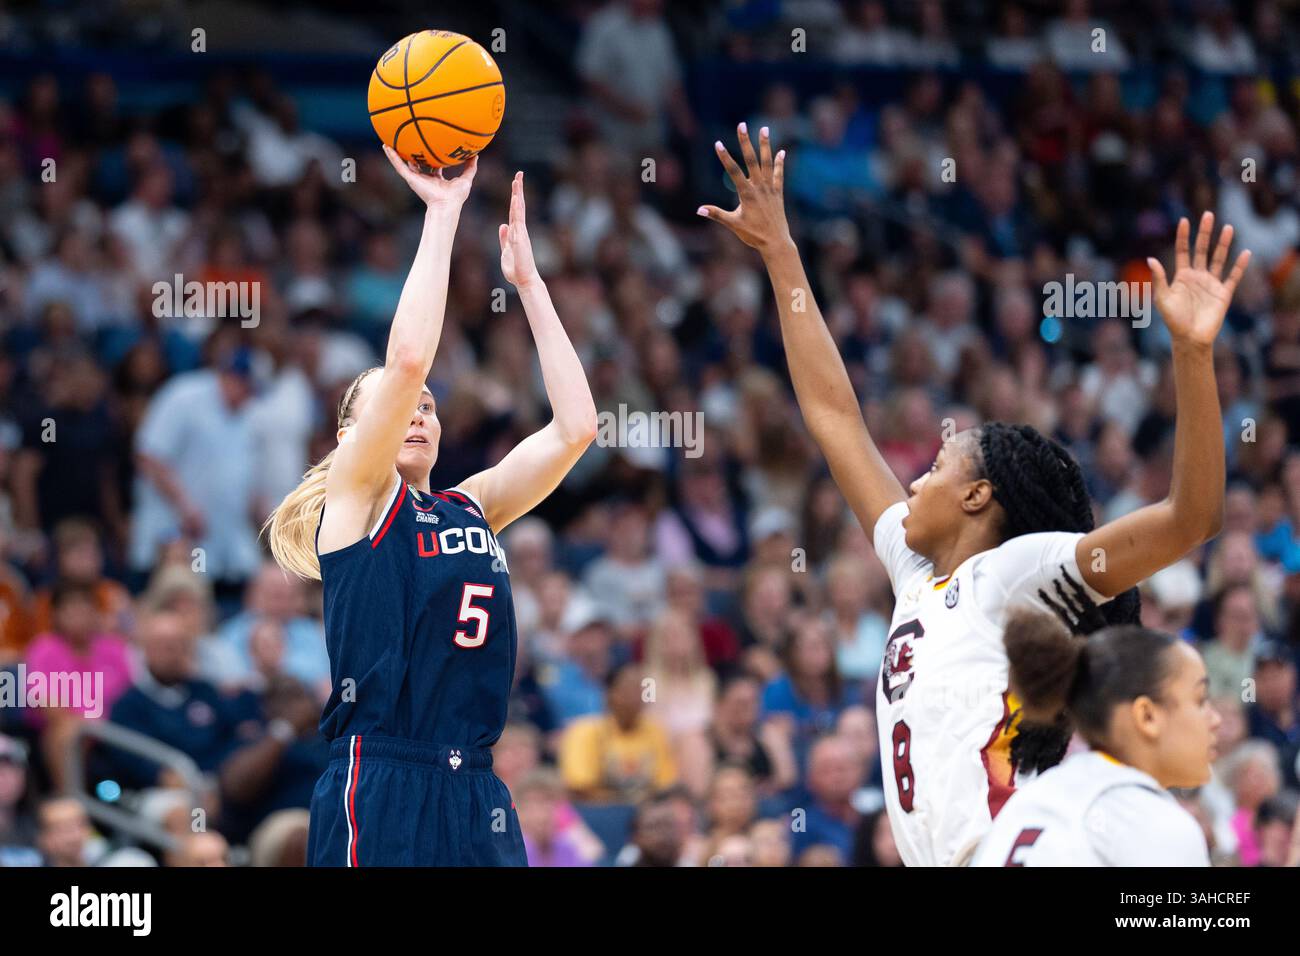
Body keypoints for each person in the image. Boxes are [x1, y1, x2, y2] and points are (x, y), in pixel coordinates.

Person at [700, 124, 1250, 865]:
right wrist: (781, 255)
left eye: (937, 467)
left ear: (978, 498)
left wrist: (1191, 353)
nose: (916, 479)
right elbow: (835, 420)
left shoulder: (1017, 575)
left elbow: (1193, 517)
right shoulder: (913, 573)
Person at [265, 152, 596, 866]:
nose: (416, 411)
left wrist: (531, 286)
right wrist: (443, 214)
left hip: (476, 786)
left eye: (429, 407)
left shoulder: (471, 506)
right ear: (351, 435)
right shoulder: (356, 502)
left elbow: (577, 429)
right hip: (381, 775)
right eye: (395, 407)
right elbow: (410, 357)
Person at [971, 611, 1218, 866]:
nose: (1215, 719)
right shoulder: (1155, 823)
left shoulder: (1029, 799)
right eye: (1200, 700)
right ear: (1146, 716)